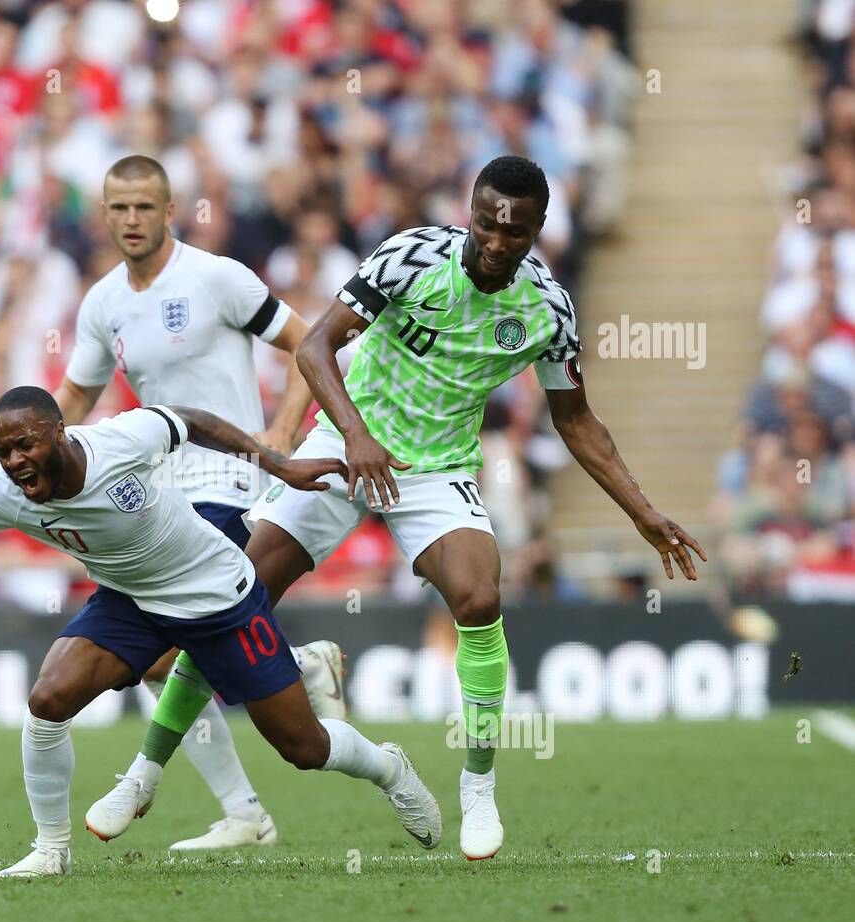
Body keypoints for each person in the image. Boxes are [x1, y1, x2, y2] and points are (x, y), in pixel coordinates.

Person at [137, 155, 707, 862]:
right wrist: (355, 434)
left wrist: (641, 511)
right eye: (487, 224)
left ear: (538, 231)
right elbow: (315, 348)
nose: (497, 242)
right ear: (470, 211)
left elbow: (578, 420)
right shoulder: (413, 256)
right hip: (351, 441)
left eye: (516, 232)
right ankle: (146, 769)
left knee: (477, 595)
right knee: (234, 592)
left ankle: (477, 788)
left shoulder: (546, 309)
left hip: (435, 468)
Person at [0, 387, 442, 878]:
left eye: (27, 443)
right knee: (48, 699)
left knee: (303, 746)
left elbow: (193, 420)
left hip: (219, 598)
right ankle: (51, 849)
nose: (16, 461)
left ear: (60, 431)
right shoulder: (2, 491)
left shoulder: (118, 442)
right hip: (131, 601)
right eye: (3, 451)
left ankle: (390, 769)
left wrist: (277, 462)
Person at [54, 154, 345, 851]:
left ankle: (198, 789)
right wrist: (23, 454)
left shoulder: (216, 278)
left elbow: (308, 341)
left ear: (169, 209)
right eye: (118, 208)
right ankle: (290, 690)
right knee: (160, 659)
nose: (130, 220)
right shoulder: (102, 304)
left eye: (143, 208)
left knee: (167, 636)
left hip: (230, 483)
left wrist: (278, 433)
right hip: (159, 493)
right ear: (105, 213)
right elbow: (74, 399)